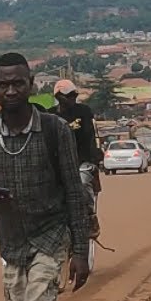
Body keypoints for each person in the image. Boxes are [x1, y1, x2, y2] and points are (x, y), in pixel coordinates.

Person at [0, 53, 91, 301]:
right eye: (3, 84)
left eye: (18, 83)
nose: (11, 90)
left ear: (32, 85)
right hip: (11, 241)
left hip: (51, 236)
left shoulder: (54, 130)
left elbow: (73, 190)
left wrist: (80, 251)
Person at [51, 80, 102, 239]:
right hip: (58, 165)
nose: (73, 98)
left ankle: (90, 216)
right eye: (69, 95)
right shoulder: (50, 116)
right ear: (59, 97)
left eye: (74, 95)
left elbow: (91, 136)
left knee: (81, 182)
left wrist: (94, 157)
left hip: (83, 161)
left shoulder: (83, 111)